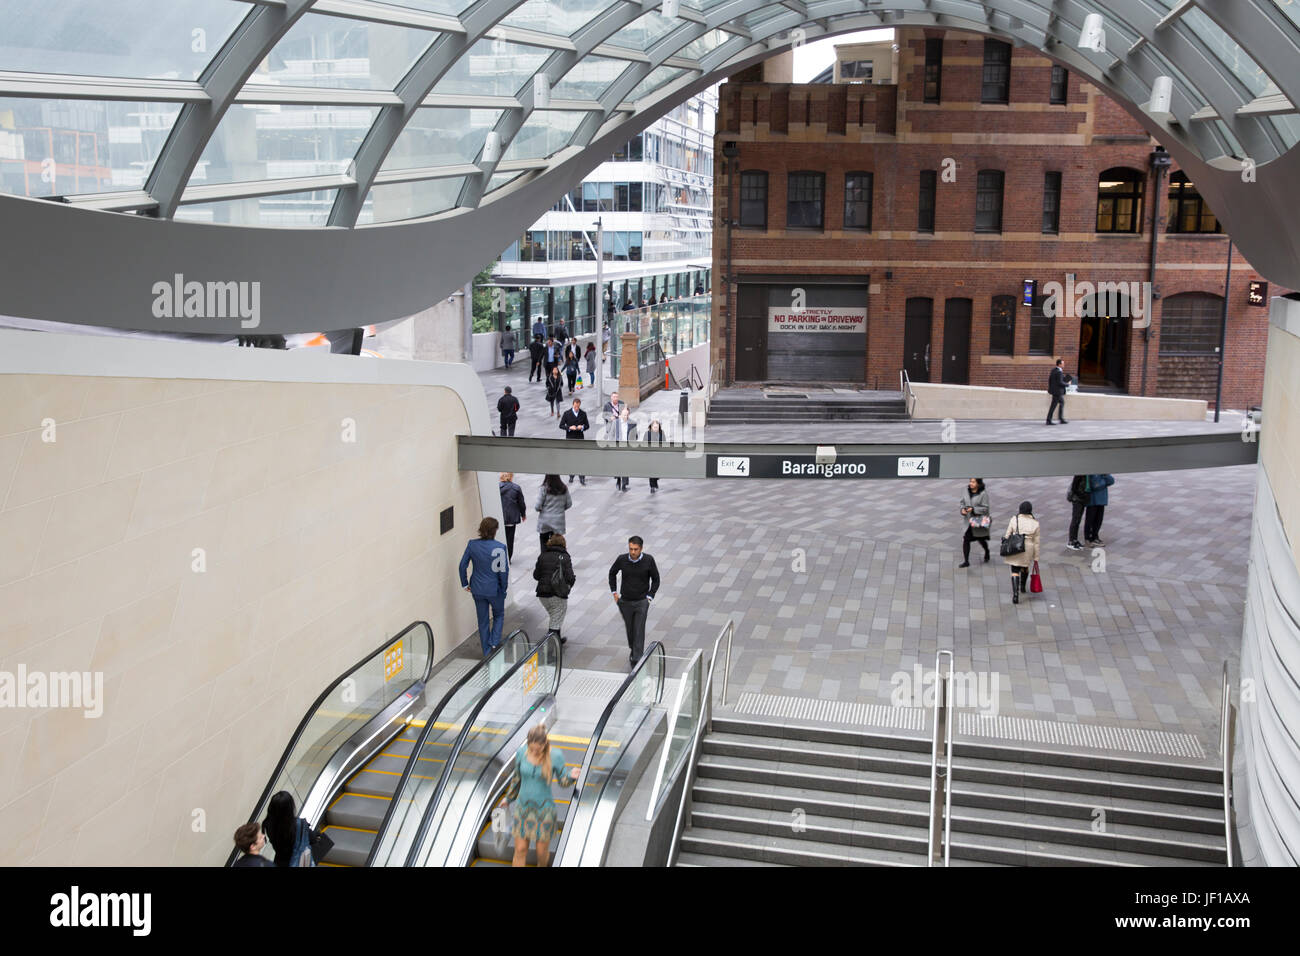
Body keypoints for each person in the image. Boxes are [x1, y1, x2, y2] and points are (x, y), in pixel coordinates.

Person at [510, 724, 579, 868]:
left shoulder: (555, 755)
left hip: (544, 811)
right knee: (520, 849)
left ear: (544, 744)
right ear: (528, 743)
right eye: (531, 748)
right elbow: (516, 778)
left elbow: (563, 782)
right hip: (523, 808)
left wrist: (571, 777)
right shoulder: (521, 753)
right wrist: (508, 798)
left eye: (537, 749)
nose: (534, 752)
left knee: (541, 852)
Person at [458, 517, 509, 655]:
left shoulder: (472, 545)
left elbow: (462, 565)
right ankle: (493, 643)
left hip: (477, 588)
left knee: (483, 620)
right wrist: (503, 589)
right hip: (495, 590)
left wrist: (465, 583)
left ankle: (486, 652)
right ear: (495, 531)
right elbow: (503, 572)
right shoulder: (500, 547)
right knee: (499, 615)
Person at [609, 536, 660, 667]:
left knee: (639, 629)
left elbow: (656, 579)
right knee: (630, 630)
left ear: (641, 549)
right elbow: (612, 573)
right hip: (625, 601)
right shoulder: (622, 559)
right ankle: (634, 649)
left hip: (642, 602)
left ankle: (636, 659)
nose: (632, 552)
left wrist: (650, 596)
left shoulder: (649, 560)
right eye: (630, 549)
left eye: (635, 549)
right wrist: (614, 592)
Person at [533, 533, 576, 645]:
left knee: (555, 617)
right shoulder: (565, 557)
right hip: (557, 594)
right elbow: (570, 577)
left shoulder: (542, 555)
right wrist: (569, 585)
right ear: (563, 544)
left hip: (542, 595)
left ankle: (557, 639)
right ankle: (552, 648)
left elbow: (536, 575)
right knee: (555, 620)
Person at [264, 791, 321, 867]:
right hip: (300, 862)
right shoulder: (299, 825)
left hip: (280, 862)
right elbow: (312, 840)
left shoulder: (268, 824)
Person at [1002, 501, 1041, 605]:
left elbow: (1007, 534)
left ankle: (1015, 594)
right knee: (1025, 567)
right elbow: (1036, 542)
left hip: (1016, 546)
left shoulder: (1015, 519)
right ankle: (1023, 586)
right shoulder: (1035, 523)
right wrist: (1036, 557)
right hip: (1028, 547)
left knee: (1014, 569)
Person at [535, 474, 572, 553]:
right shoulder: (563, 488)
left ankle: (544, 559)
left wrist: (543, 509)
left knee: (543, 539)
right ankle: (557, 560)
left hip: (545, 521)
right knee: (557, 542)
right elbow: (569, 504)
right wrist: (560, 509)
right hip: (558, 521)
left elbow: (537, 506)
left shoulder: (544, 488)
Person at [958, 477, 991, 567]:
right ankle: (966, 561)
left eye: (973, 482)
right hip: (968, 521)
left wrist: (973, 509)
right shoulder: (966, 491)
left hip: (978, 521)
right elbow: (962, 502)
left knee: (980, 539)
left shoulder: (983, 494)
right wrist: (962, 510)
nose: (971, 483)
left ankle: (987, 551)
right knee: (966, 539)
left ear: (978, 484)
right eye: (970, 481)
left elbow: (985, 508)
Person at [603, 391, 630, 491]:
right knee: (619, 464)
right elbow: (604, 415)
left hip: (626, 446)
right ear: (611, 397)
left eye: (616, 397)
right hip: (615, 437)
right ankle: (618, 480)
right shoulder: (607, 405)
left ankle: (624, 484)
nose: (615, 398)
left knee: (626, 465)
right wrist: (610, 418)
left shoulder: (630, 423)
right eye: (614, 397)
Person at [559, 397, 589, 485]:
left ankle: (582, 477)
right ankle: (571, 476)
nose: (576, 408)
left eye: (578, 407)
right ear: (573, 405)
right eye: (575, 407)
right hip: (570, 438)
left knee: (581, 459)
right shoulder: (567, 413)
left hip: (580, 438)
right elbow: (561, 425)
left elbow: (587, 425)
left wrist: (582, 427)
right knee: (571, 458)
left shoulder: (583, 414)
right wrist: (569, 428)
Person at [499, 472, 526, 560]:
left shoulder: (497, 487)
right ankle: (508, 558)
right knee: (510, 539)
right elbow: (521, 503)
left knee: (500, 538)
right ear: (511, 477)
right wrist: (523, 514)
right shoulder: (516, 488)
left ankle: (500, 557)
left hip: (500, 517)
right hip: (511, 518)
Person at [1084, 473, 1115, 546]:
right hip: (1092, 501)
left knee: (1099, 520)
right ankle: (1087, 539)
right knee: (1090, 520)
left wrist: (1104, 476)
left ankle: (1095, 537)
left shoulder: (1103, 472)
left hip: (1101, 500)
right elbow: (1095, 485)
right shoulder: (1091, 473)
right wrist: (1104, 482)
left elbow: (1111, 481)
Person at [1066, 474, 1090, 550]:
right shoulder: (1079, 475)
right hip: (1077, 500)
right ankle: (1071, 541)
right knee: (1075, 520)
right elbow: (1074, 487)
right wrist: (1082, 495)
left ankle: (1075, 540)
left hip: (1081, 500)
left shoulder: (1086, 475)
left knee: (1078, 520)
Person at [1046, 358, 1070, 425]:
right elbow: (1060, 383)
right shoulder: (1059, 372)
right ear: (1059, 364)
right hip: (1058, 392)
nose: (1064, 365)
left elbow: (1051, 380)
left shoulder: (1054, 370)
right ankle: (1051, 420)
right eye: (1063, 364)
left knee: (1059, 403)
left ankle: (1059, 419)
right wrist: (1067, 384)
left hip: (1055, 391)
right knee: (1054, 405)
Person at [646, 418, 664, 492]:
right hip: (650, 455)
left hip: (658, 455)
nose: (656, 428)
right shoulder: (648, 433)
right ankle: (652, 486)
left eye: (657, 427)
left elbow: (664, 442)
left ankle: (655, 482)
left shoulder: (661, 433)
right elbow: (645, 443)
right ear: (651, 427)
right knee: (651, 471)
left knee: (657, 472)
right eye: (654, 427)